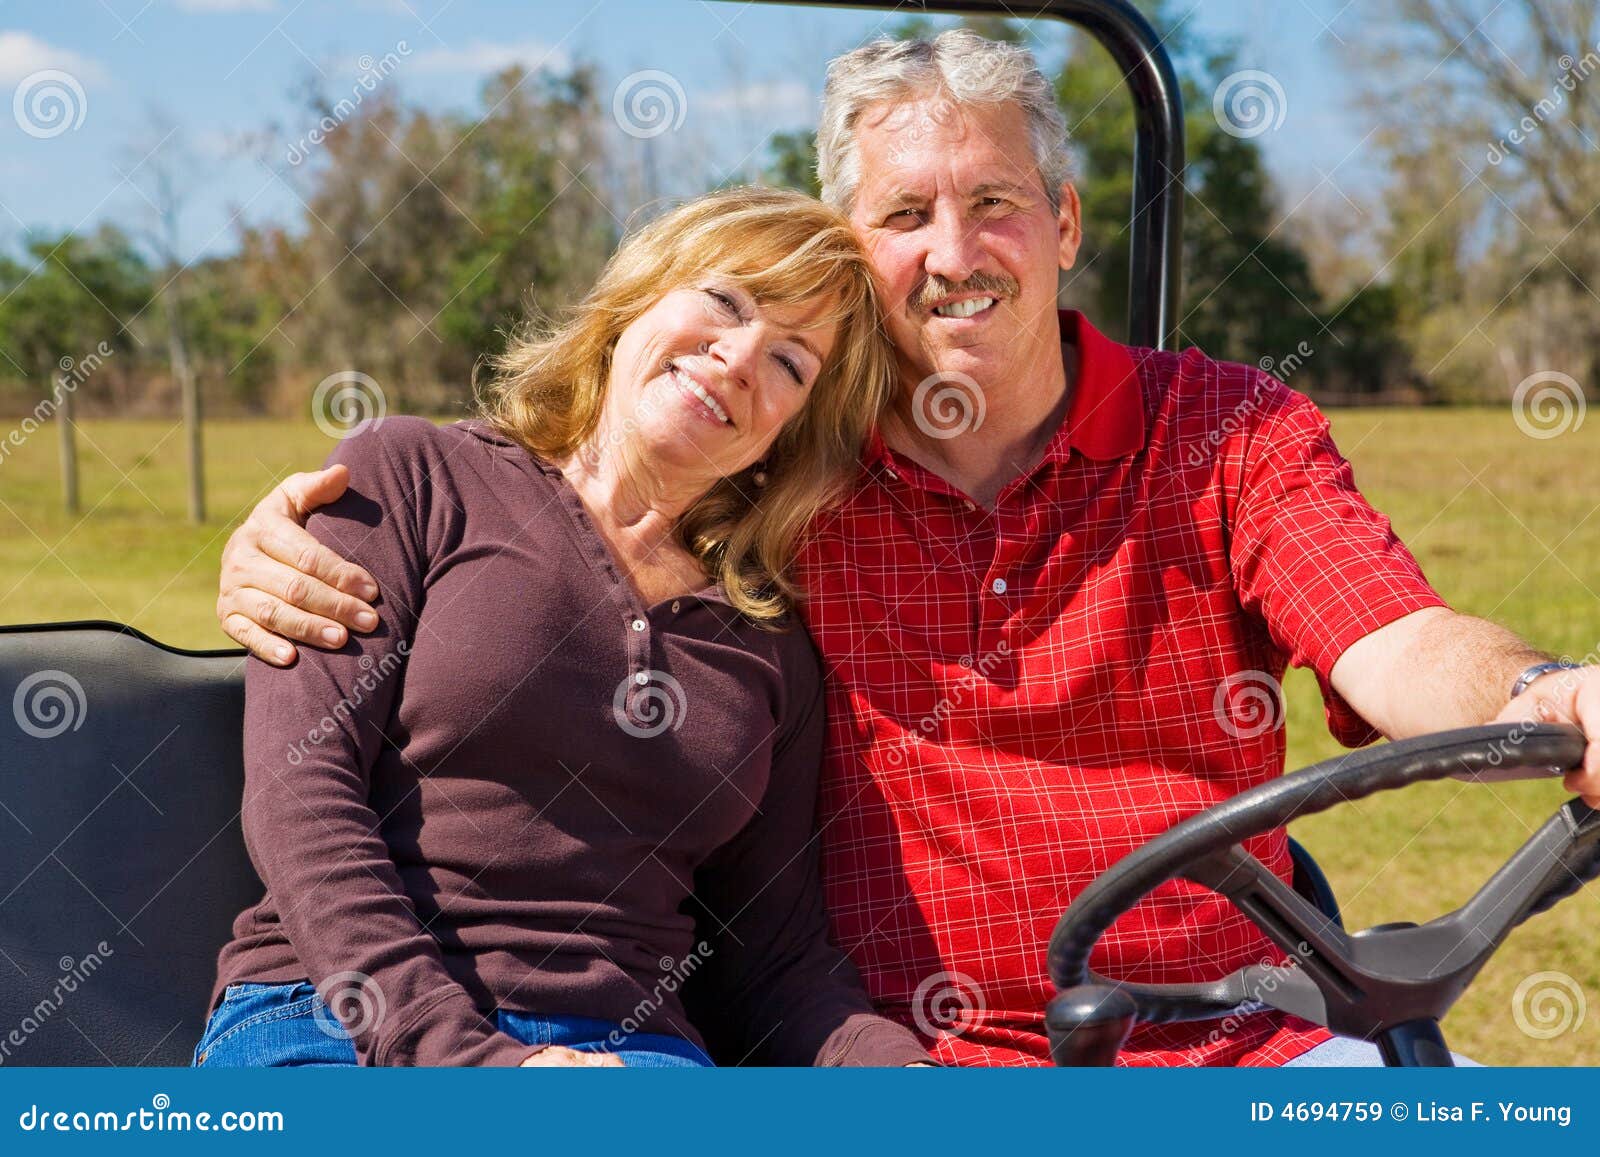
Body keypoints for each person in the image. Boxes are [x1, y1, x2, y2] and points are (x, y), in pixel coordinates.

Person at [213, 32, 1600, 1068]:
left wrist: (1547, 696)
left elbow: (1391, 632)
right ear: (853, 249)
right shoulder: (791, 486)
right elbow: (532, 565)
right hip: (939, 1060)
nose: (956, 249)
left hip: (1256, 1033)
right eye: (901, 216)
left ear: (1063, 222)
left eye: (995, 200)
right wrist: (283, 539)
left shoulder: (1226, 434)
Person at [193, 186, 931, 1068]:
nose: (738, 358)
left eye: (790, 363)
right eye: (726, 301)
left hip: (626, 1054)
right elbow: (298, 793)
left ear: (793, 428)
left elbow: (777, 961)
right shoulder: (412, 477)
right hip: (333, 1016)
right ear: (638, 297)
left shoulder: (768, 640)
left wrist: (907, 1075)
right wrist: (464, 1060)